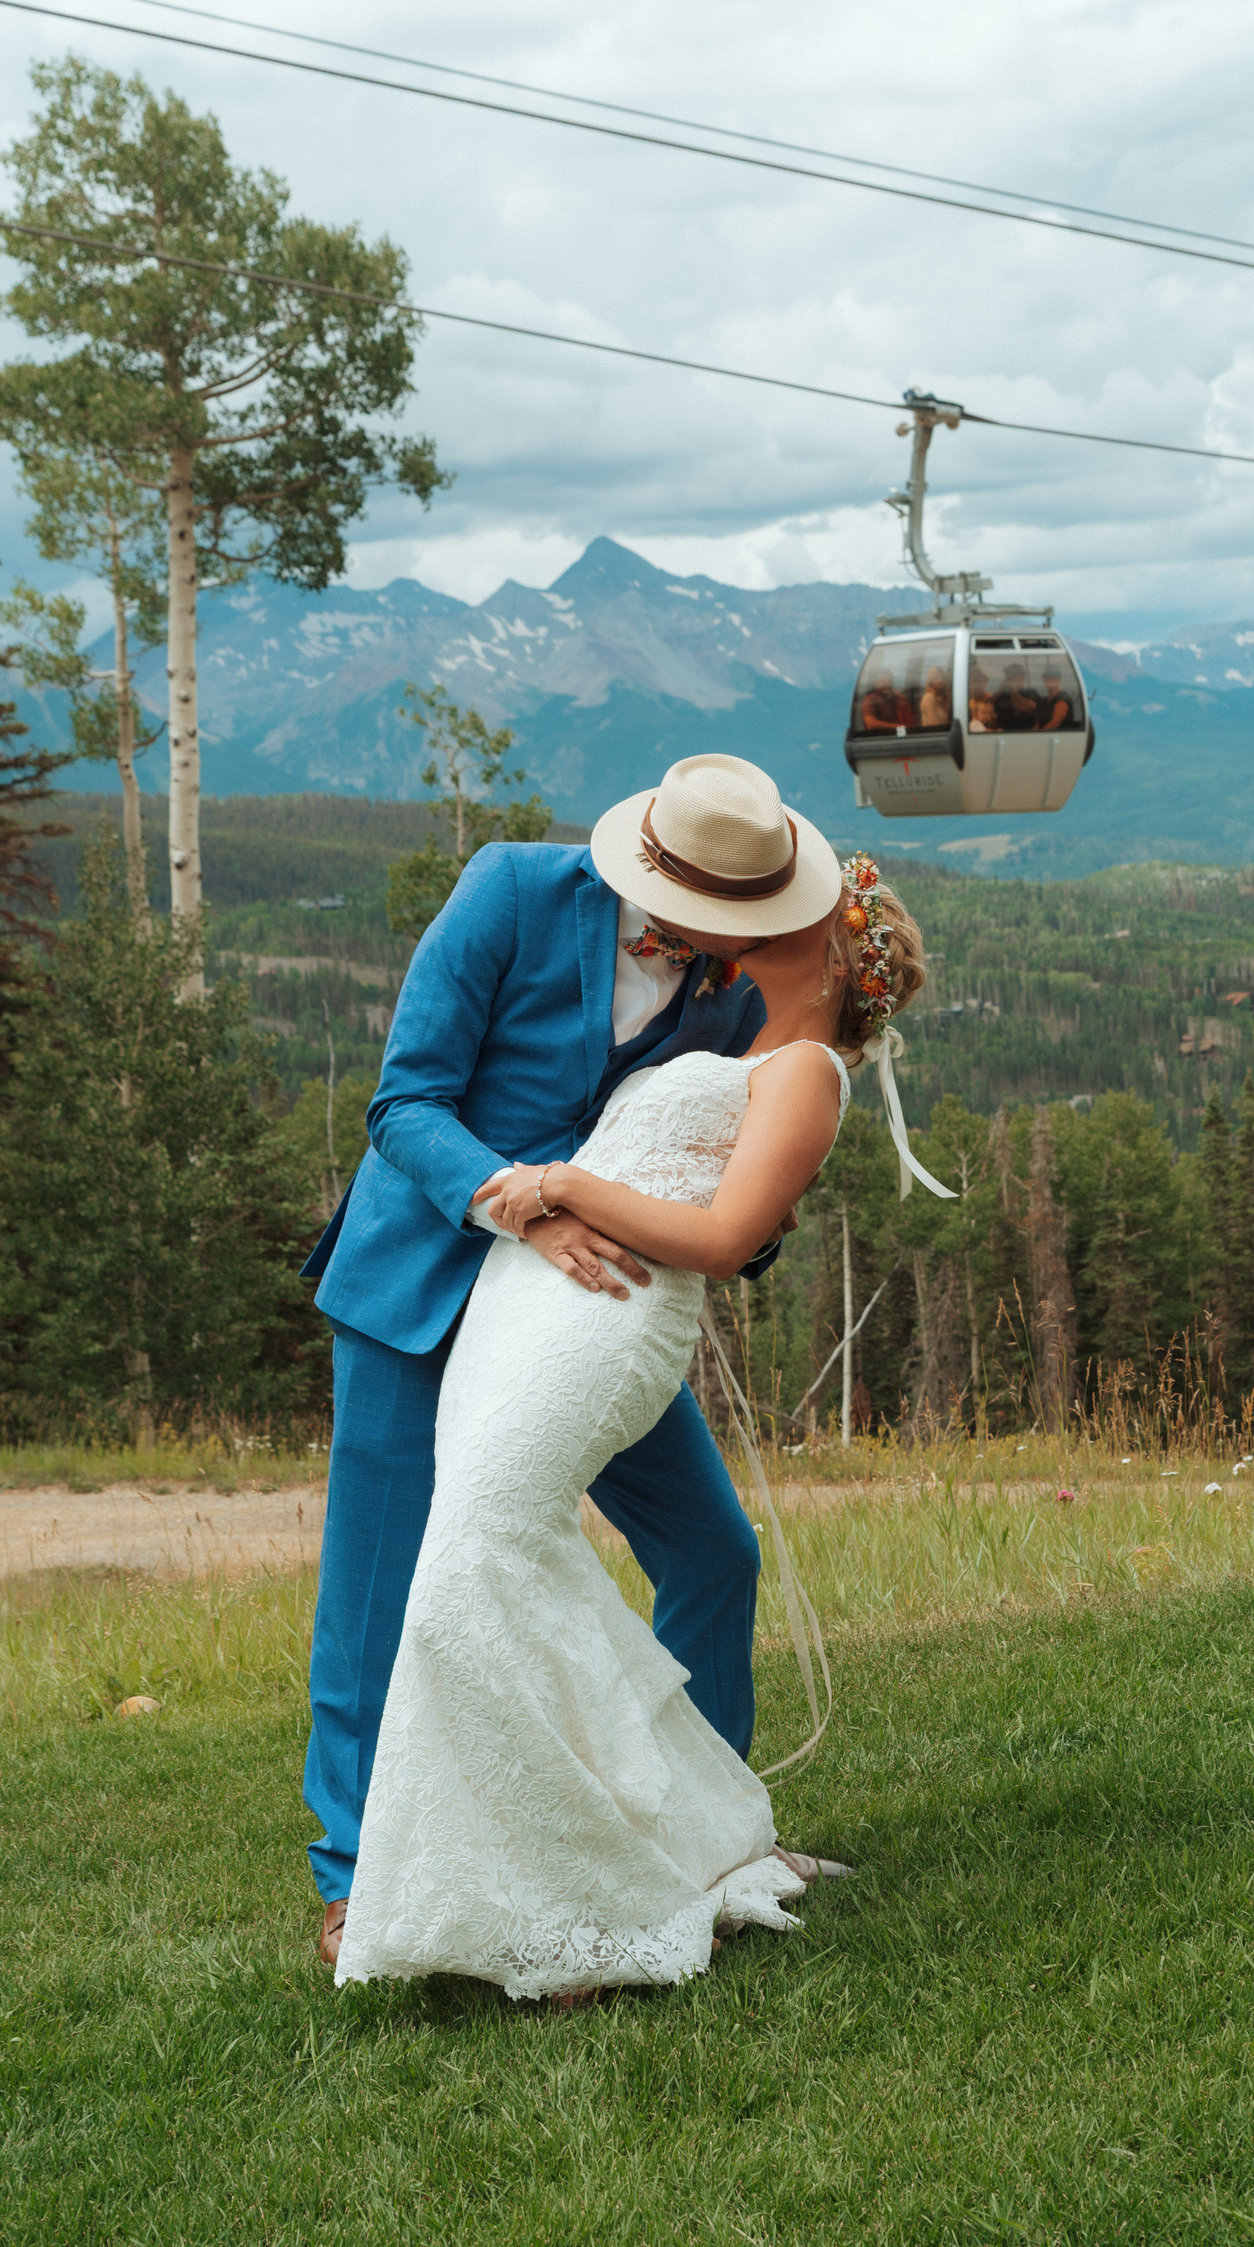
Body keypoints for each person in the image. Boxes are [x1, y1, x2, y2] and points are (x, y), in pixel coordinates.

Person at [334, 809, 928, 2001]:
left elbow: (733, 1164)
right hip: (429, 1275)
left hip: (591, 1316)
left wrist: (746, 1219)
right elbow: (403, 1105)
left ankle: (696, 1839)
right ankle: (356, 1876)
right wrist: (527, 1201)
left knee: (713, 1553)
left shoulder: (735, 990)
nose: (715, 937)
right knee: (389, 1587)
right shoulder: (509, 892)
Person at [992, 661, 1039, 731]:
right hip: (1005, 733)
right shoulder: (1003, 694)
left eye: (1013, 676)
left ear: (1022, 678)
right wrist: (1001, 687)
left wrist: (1013, 691)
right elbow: (989, 704)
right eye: (1008, 676)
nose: (1010, 678)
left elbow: (1029, 707)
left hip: (1026, 733)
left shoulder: (1030, 692)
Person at [1037, 665, 1075, 731]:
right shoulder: (1044, 700)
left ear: (1058, 680)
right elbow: (1038, 723)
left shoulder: (1063, 699)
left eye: (1052, 678)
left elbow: (1055, 723)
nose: (1049, 681)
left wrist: (1038, 735)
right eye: (1046, 678)